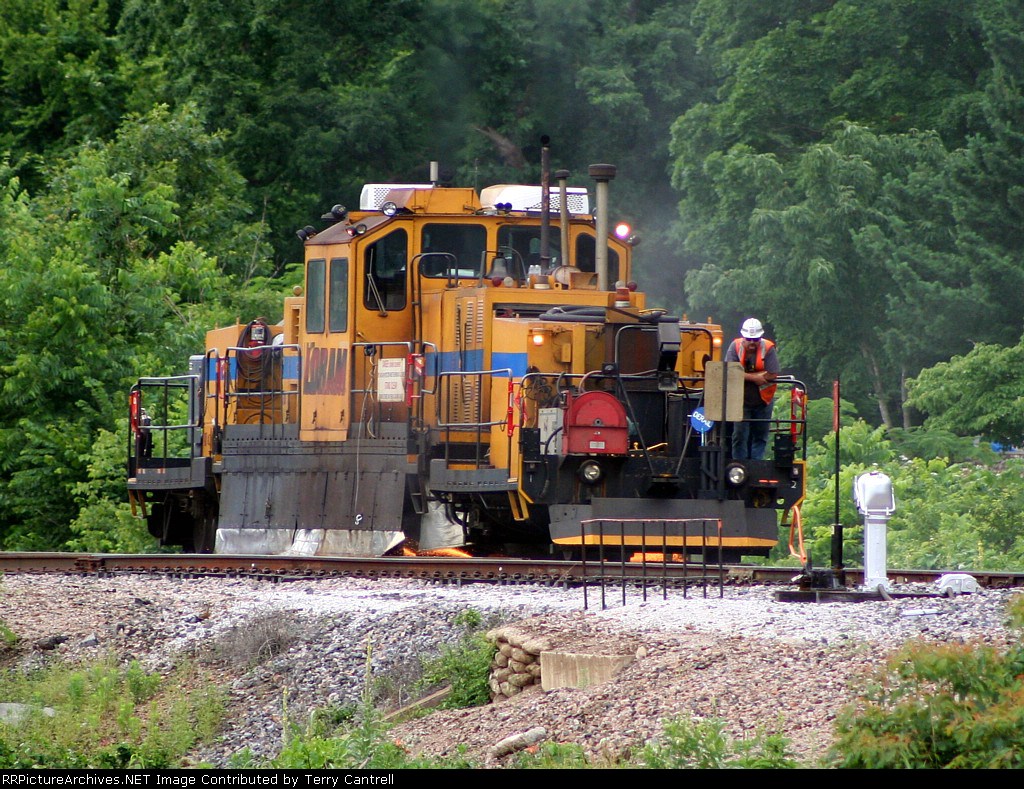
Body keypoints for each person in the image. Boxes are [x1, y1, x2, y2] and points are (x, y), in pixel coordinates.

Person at [724, 318, 779, 460]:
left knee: (760, 436)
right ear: (743, 337)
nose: (753, 343)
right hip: (741, 401)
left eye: (756, 339)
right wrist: (755, 378)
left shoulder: (768, 348)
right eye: (749, 339)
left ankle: (756, 465)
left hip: (763, 401)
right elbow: (729, 371)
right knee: (739, 436)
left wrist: (742, 375)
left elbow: (772, 374)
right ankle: (739, 464)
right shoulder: (735, 347)